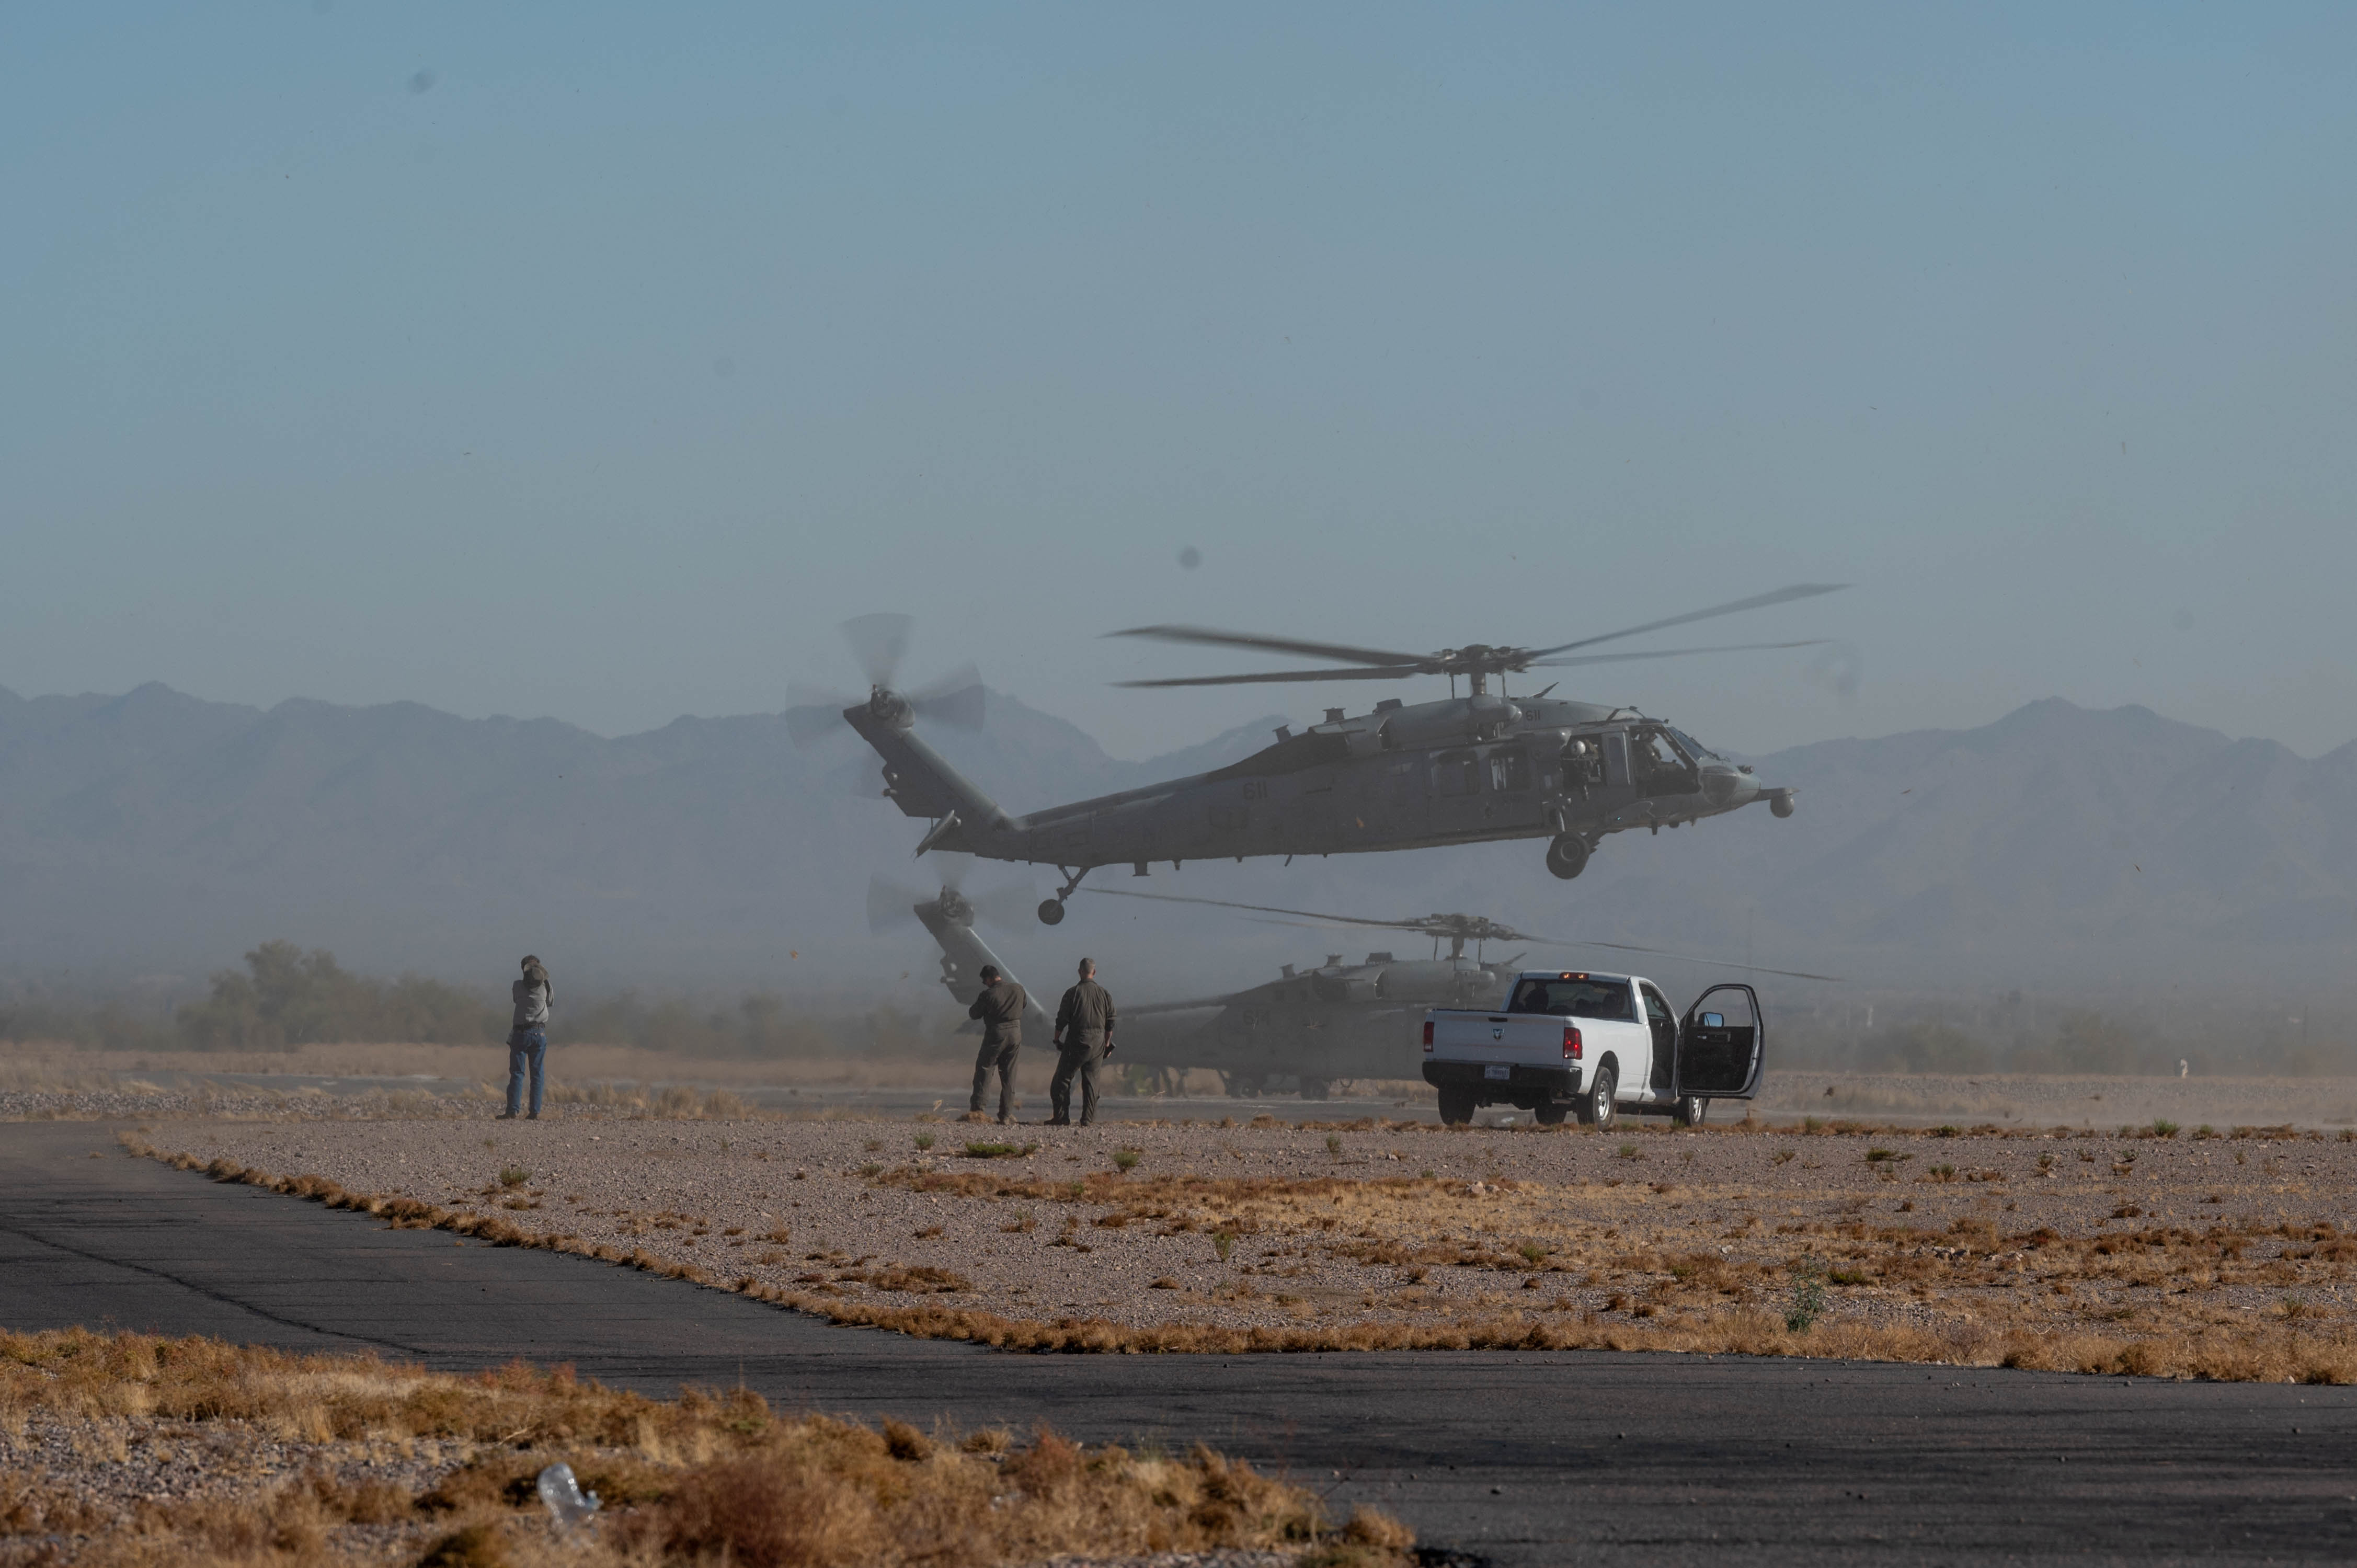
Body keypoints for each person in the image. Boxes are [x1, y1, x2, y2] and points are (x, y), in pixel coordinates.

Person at [1048, 957, 1117, 1127]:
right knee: (1092, 1082)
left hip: (1077, 1040)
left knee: (1062, 1080)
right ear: (1094, 972)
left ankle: (1062, 1118)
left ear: (1080, 972)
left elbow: (1061, 1020)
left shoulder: (1072, 993)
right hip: (1099, 1041)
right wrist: (1106, 1044)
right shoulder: (1105, 994)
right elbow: (1111, 1023)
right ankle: (1087, 1119)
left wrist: (1057, 1039)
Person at [965, 964, 1028, 1125]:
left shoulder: (988, 995)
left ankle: (978, 1112)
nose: (985, 984)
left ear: (989, 979)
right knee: (1009, 1075)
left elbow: (974, 1014)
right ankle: (1006, 1115)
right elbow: (1024, 1005)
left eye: (984, 981)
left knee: (985, 1070)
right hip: (1016, 1033)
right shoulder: (1018, 989)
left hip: (996, 1033)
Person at [501, 954, 554, 1120]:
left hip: (521, 1034)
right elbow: (550, 1002)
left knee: (517, 1073)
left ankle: (513, 1111)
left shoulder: (518, 986)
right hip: (539, 1033)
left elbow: (517, 999)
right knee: (537, 1074)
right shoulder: (546, 986)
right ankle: (534, 1112)